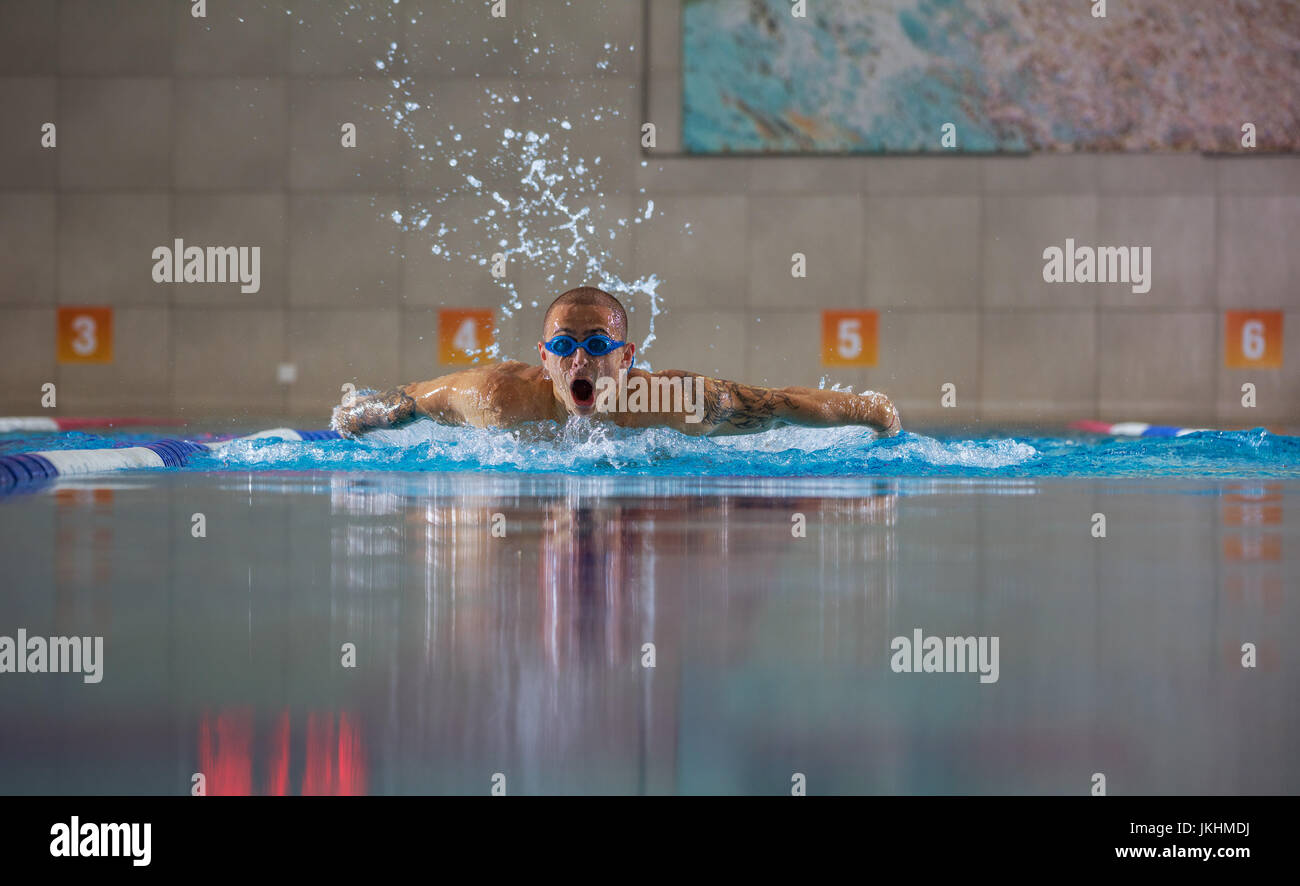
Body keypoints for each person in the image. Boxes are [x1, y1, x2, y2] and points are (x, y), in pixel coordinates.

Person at [331, 286, 902, 438]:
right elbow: (413, 401)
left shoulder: (669, 403)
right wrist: (363, 414)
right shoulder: (497, 398)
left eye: (598, 346)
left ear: (627, 357)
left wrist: (870, 410)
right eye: (563, 346)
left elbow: (778, 406)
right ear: (543, 357)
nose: (580, 357)